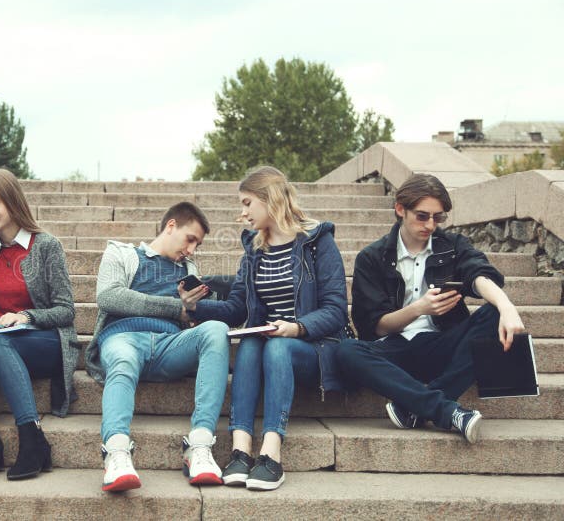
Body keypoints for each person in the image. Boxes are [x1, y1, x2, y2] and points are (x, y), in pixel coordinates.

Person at [182, 166, 347, 491]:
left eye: (247, 203)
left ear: (270, 199)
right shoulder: (255, 249)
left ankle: (271, 453)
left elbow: (336, 310)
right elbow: (237, 309)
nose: (242, 213)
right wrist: (193, 307)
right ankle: (241, 450)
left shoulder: (317, 241)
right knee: (252, 342)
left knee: (276, 345)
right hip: (269, 342)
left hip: (313, 346)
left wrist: (296, 327)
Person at [337, 174, 525, 444]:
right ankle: (446, 411)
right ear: (400, 209)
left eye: (438, 218)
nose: (430, 225)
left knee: (493, 313)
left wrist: (506, 306)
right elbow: (374, 326)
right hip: (393, 350)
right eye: (422, 216)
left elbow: (478, 273)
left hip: (442, 345)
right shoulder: (372, 257)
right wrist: (419, 309)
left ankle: (412, 407)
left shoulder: (453, 246)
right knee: (346, 351)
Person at [84, 202, 230, 492]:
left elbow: (203, 315)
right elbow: (110, 297)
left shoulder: (189, 270)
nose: (192, 250)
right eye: (190, 239)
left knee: (217, 330)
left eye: (198, 245)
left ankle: (199, 445)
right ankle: (116, 452)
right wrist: (176, 307)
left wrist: (197, 308)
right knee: (123, 360)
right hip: (123, 338)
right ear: (171, 226)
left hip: (170, 346)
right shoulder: (121, 253)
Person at [0, 169, 78, 481]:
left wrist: (26, 316)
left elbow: (66, 311)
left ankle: (32, 438)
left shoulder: (46, 246)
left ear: (12, 202)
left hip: (45, 340)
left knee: (0, 343)